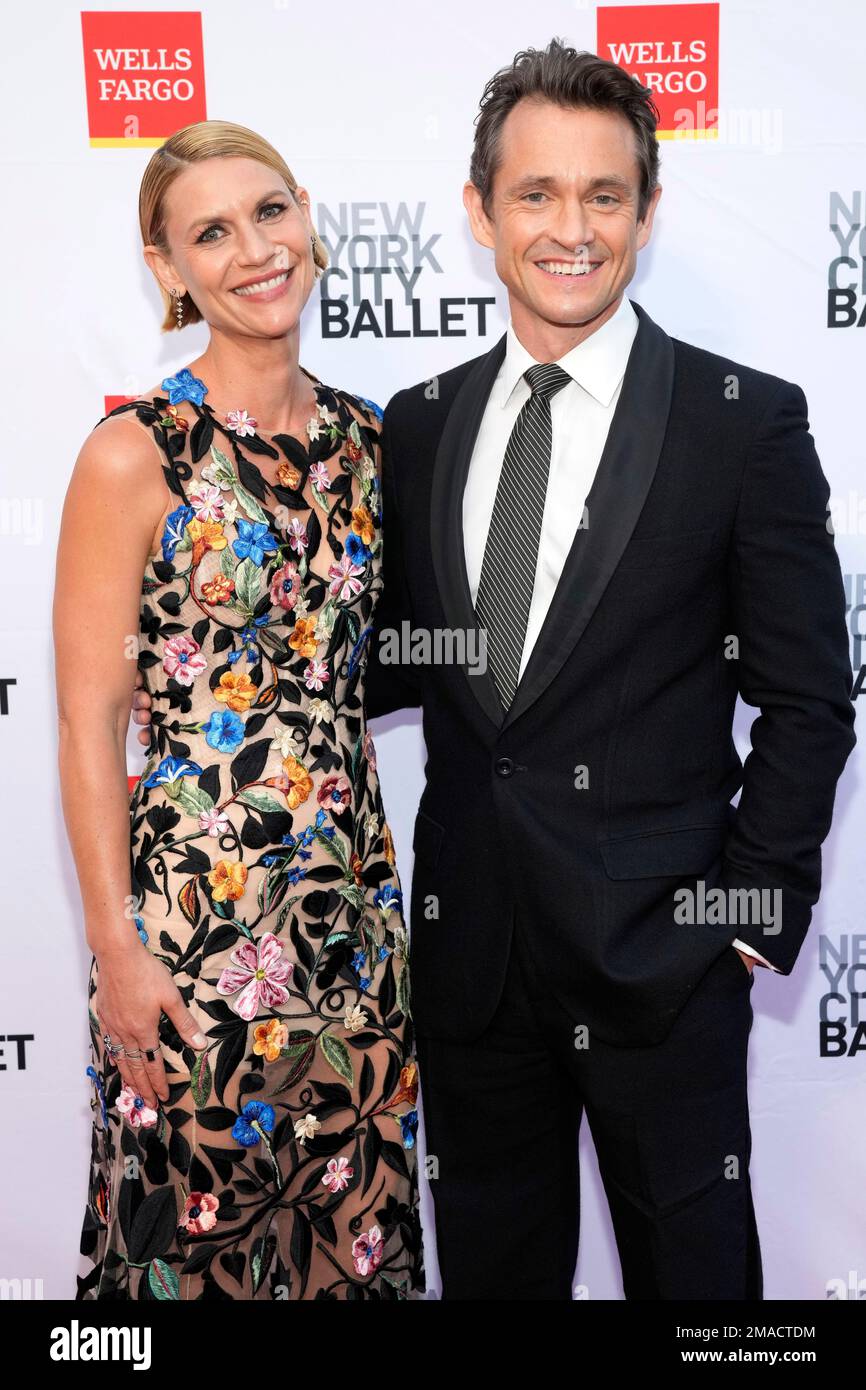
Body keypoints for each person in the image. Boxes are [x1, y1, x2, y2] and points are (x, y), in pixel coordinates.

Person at [133, 43, 856, 1302]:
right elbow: (384, 657)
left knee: (704, 1296)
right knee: (494, 1278)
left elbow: (808, 700)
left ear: (643, 211)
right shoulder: (414, 423)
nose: (568, 229)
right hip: (466, 963)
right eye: (535, 194)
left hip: (661, 967)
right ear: (479, 213)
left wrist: (734, 924)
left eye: (602, 196)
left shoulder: (743, 419)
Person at [55, 120, 424, 1301]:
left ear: (306, 214)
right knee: (189, 1246)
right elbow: (85, 719)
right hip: (193, 935)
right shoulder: (134, 453)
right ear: (168, 268)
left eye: (269, 211)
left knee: (346, 1238)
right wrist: (115, 945)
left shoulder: (371, 442)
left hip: (351, 930)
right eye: (209, 231)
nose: (254, 248)